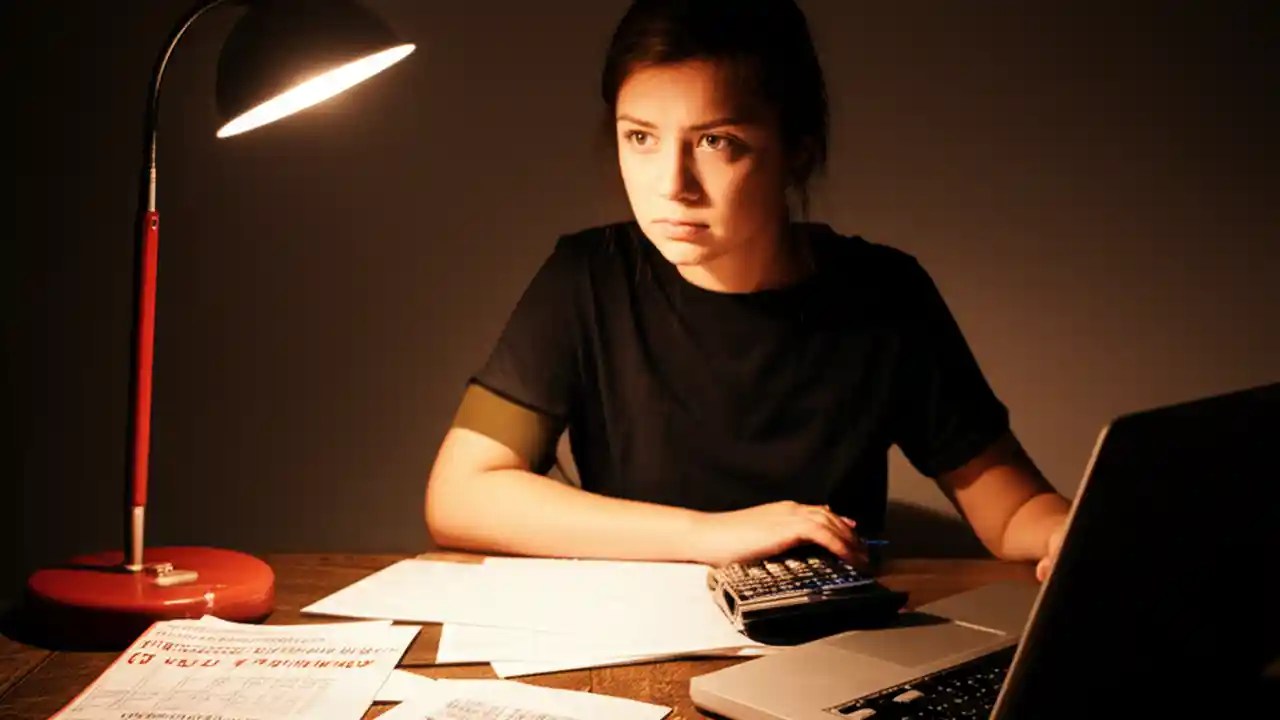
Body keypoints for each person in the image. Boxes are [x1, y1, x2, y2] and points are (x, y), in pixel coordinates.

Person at [424, 0, 1071, 582]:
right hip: (630, 640)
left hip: (825, 646)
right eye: (641, 137)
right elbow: (460, 494)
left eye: (716, 141)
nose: (672, 183)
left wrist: (1068, 534)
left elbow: (1013, 511)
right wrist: (709, 535)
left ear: (797, 151)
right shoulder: (585, 277)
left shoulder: (886, 293)